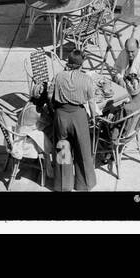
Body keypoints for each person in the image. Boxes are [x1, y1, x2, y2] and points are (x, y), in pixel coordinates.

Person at [48, 48, 98, 191]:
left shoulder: (58, 76)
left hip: (61, 115)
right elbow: (92, 102)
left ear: (68, 63)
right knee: (83, 150)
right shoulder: (86, 80)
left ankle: (63, 185)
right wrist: (93, 117)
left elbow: (49, 96)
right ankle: (85, 184)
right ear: (81, 64)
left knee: (62, 149)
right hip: (78, 116)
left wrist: (54, 110)